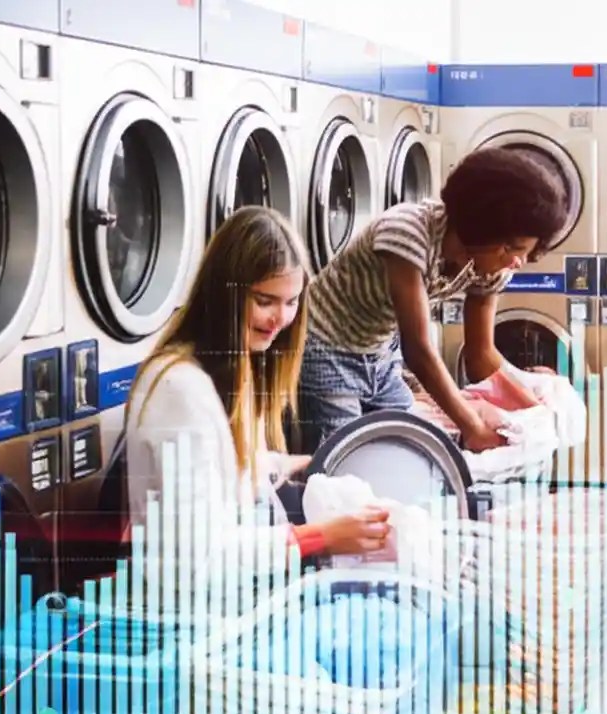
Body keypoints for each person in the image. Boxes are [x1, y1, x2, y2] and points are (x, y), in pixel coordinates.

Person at [124, 206, 393, 596]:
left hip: (220, 600)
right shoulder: (180, 389)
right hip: (185, 612)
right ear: (224, 293)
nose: (280, 319)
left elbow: (222, 470)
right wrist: (318, 537)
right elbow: (198, 560)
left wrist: (299, 463)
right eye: (265, 300)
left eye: (292, 301)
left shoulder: (228, 369)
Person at [297, 148, 568, 453]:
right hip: (323, 346)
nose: (517, 261)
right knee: (342, 456)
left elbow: (481, 356)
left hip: (380, 357)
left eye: (525, 252)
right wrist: (473, 427)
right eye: (511, 248)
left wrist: (539, 413)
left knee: (405, 449)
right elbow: (419, 350)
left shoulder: (491, 266)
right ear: (480, 227)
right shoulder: (408, 231)